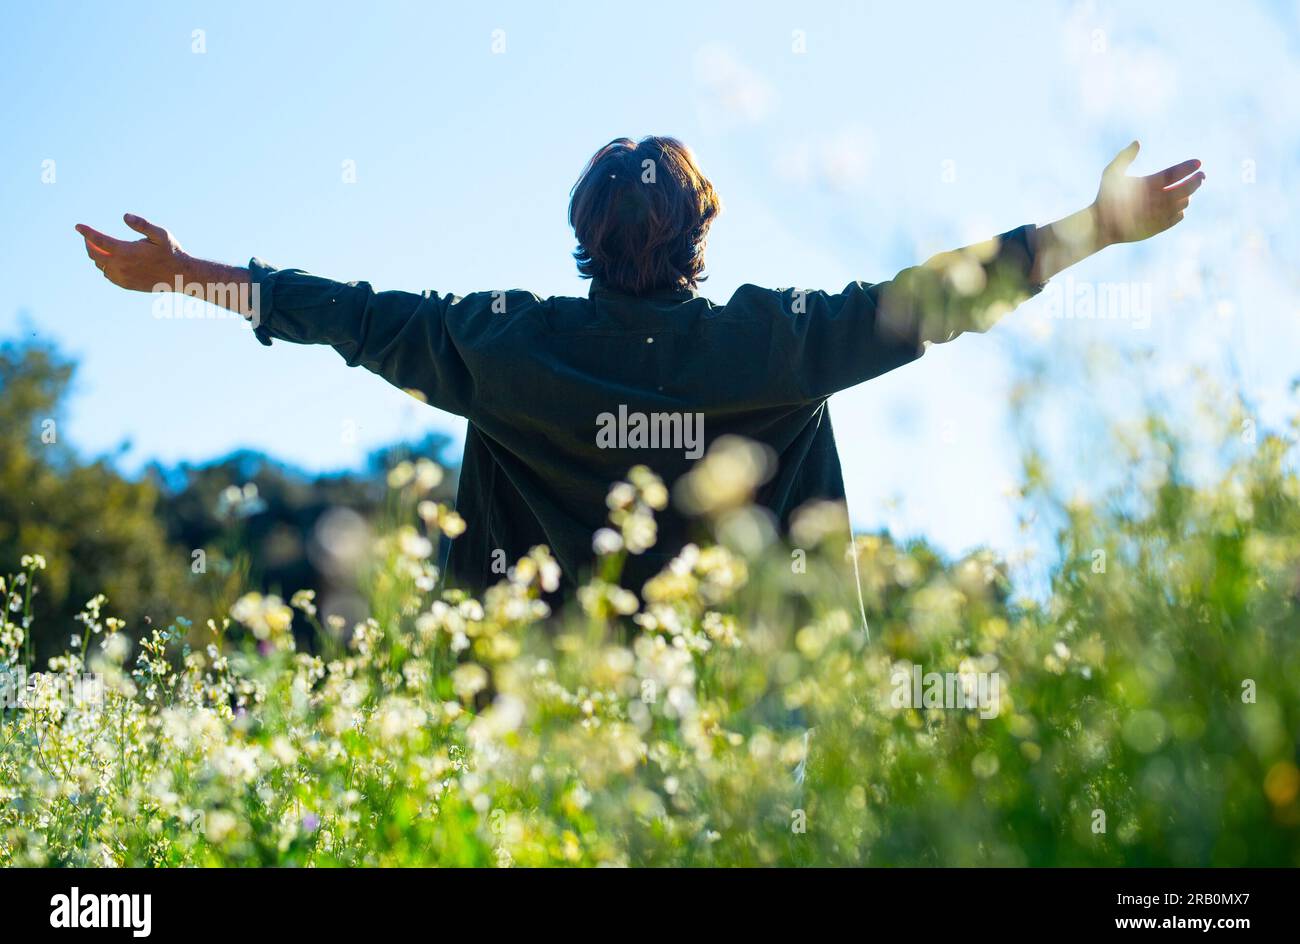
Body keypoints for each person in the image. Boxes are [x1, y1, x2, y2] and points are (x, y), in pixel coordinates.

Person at [76, 136, 1204, 597]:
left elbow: (340, 314)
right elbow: (938, 299)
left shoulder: (503, 345)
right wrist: (1095, 228)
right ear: (701, 234)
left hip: (546, 726)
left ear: (581, 237)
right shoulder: (776, 342)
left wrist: (182, 274)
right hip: (756, 733)